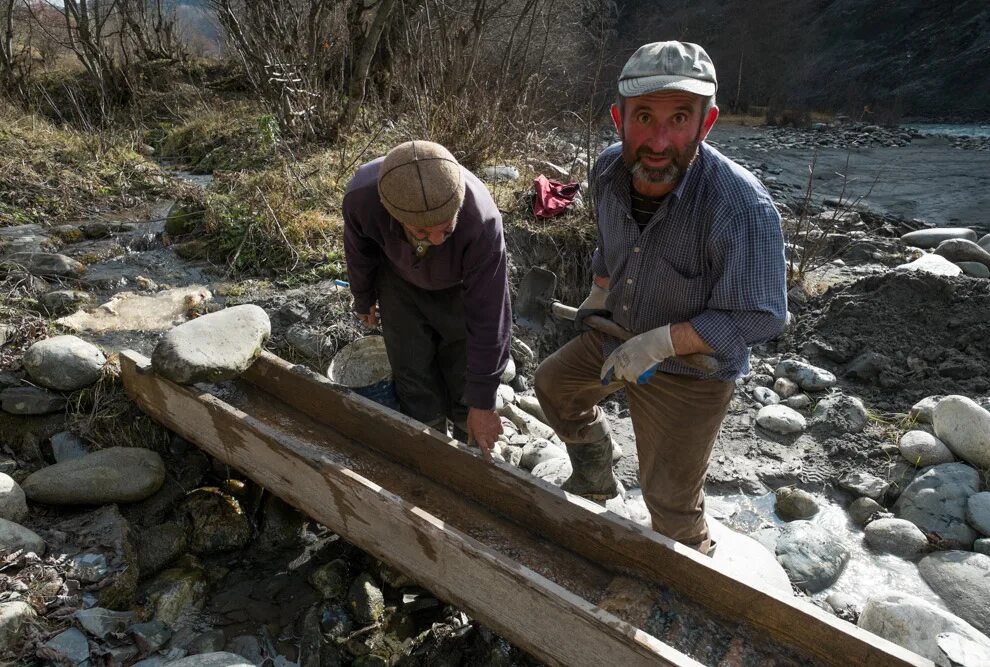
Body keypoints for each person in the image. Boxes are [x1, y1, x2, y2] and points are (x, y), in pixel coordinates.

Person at [534, 41, 787, 555]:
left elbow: (761, 314)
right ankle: (596, 475)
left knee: (669, 503)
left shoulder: (740, 206)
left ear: (706, 123)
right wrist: (599, 293)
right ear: (618, 118)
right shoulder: (607, 171)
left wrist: (663, 343)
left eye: (679, 118)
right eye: (644, 117)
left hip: (694, 370)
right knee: (554, 387)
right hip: (616, 332)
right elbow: (611, 246)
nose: (658, 139)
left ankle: (692, 576)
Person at [342, 140, 511, 459]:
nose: (435, 239)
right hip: (397, 281)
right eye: (422, 232)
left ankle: (469, 448)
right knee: (413, 375)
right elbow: (359, 250)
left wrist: (483, 401)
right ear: (393, 213)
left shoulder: (482, 222)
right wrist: (363, 297)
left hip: (460, 290)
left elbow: (491, 318)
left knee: (464, 377)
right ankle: (429, 451)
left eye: (446, 230)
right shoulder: (362, 197)